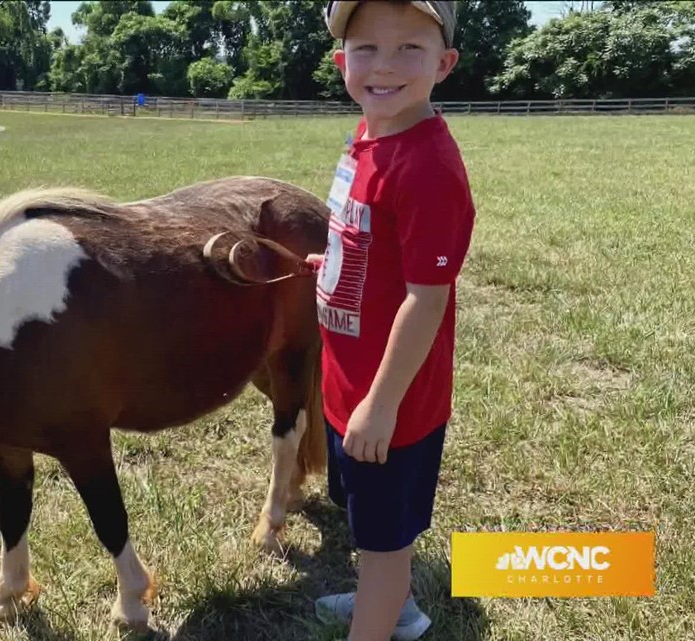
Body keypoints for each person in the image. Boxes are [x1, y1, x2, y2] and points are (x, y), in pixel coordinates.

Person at [304, 2, 476, 640]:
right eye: (367, 47)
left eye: (410, 48)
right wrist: (339, 259)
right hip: (348, 382)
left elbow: (426, 299)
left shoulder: (428, 167)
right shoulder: (369, 131)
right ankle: (394, 605)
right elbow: (374, 236)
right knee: (368, 523)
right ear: (341, 60)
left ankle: (382, 614)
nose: (384, 65)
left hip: (390, 403)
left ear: (445, 63)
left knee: (384, 544)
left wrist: (380, 408)